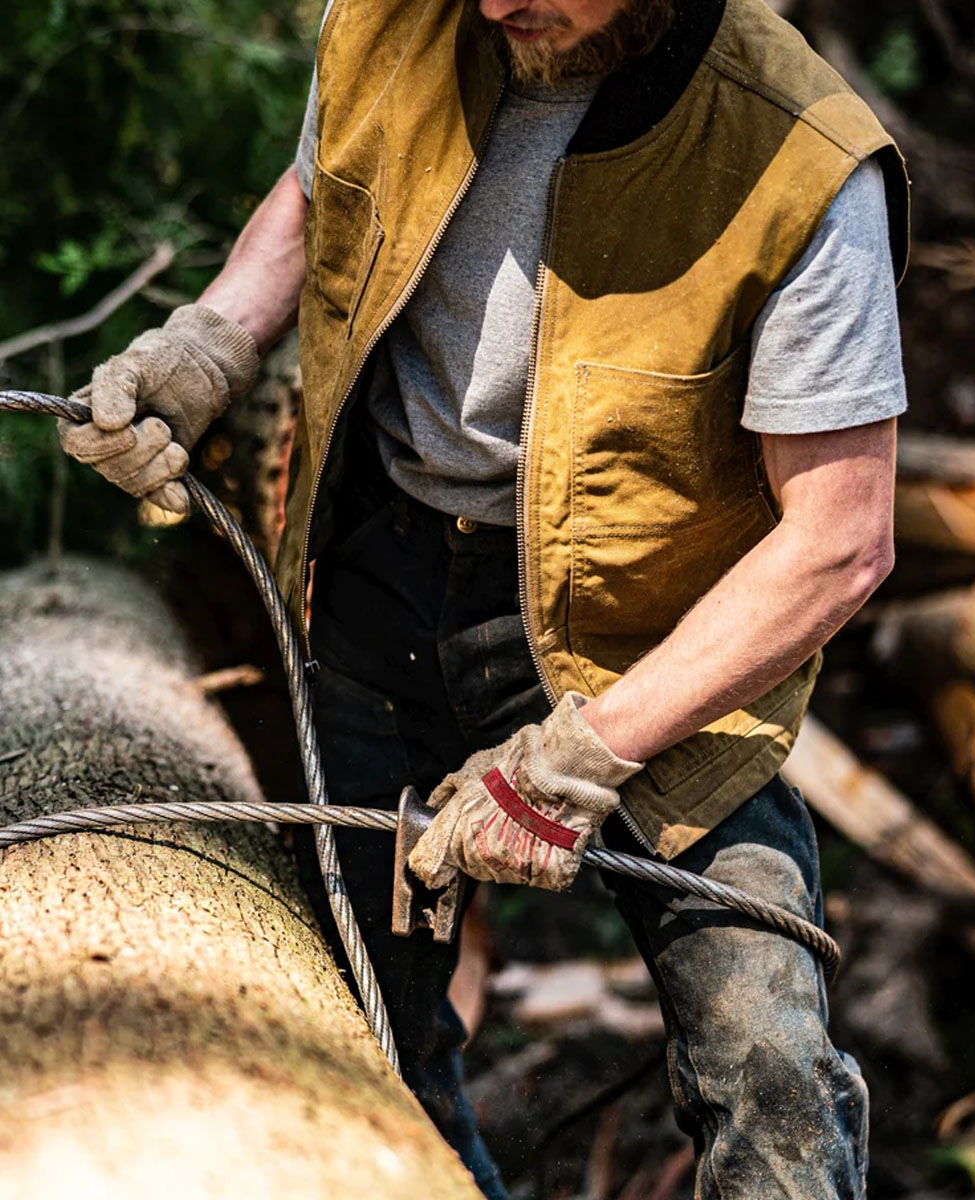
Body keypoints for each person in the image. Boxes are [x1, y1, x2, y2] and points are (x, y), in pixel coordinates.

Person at [59, 0, 910, 1195]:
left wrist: (582, 757)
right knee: (364, 1034)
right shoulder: (391, 22)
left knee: (768, 1068)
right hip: (383, 581)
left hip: (650, 639)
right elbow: (318, 195)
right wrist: (210, 341)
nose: (498, 3)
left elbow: (839, 543)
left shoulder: (802, 159)